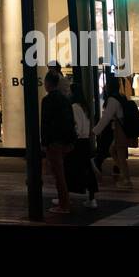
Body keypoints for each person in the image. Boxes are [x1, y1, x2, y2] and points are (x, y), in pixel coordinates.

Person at [40, 70, 76, 213]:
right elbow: (70, 121)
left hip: (54, 142)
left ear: (48, 83)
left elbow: (45, 123)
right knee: (62, 173)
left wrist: (44, 142)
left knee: (58, 174)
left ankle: (64, 204)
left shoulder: (47, 100)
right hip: (66, 141)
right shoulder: (65, 99)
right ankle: (64, 200)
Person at [91, 77, 134, 189]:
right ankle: (125, 176)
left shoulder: (113, 100)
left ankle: (127, 180)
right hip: (122, 129)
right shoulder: (121, 97)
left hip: (119, 131)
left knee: (120, 155)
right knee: (113, 150)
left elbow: (106, 118)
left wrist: (95, 131)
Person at [67, 81, 98, 208]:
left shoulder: (74, 107)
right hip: (86, 142)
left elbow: (76, 127)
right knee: (88, 170)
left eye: (70, 91)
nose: (68, 94)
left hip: (78, 142)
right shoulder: (85, 107)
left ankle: (66, 197)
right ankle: (91, 198)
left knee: (70, 169)